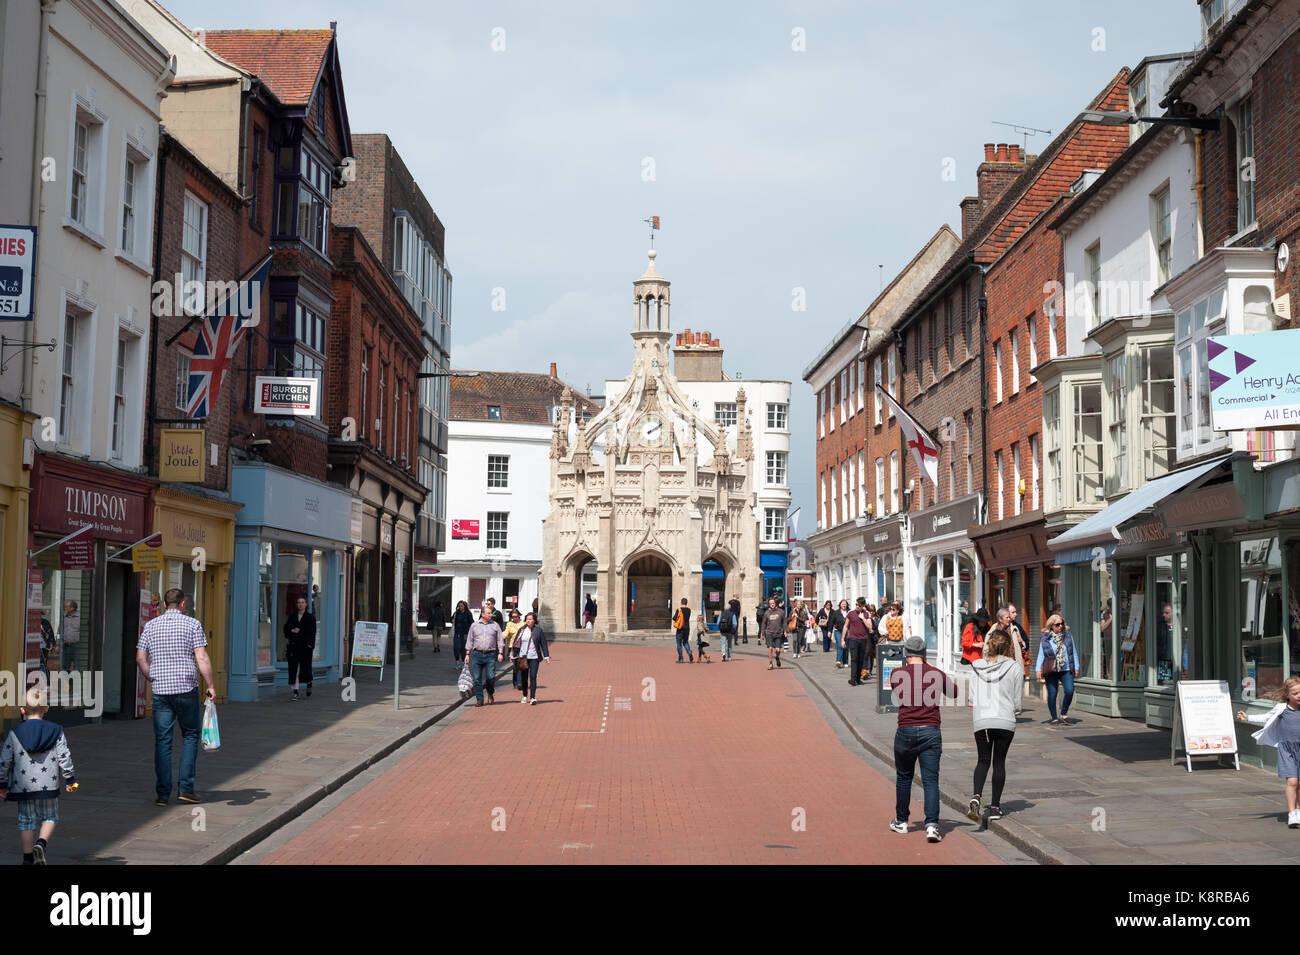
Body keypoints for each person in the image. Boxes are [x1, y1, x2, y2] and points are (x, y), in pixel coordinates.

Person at [136, 588, 215, 806]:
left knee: (163, 741)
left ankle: (162, 794)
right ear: (182, 604)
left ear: (163, 604)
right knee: (190, 735)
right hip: (185, 688)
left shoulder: (151, 626)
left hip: (161, 690)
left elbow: (140, 657)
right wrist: (210, 685)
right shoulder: (192, 624)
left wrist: (151, 676)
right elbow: (201, 656)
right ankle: (186, 789)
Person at [888, 634, 959, 843]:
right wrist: (928, 667)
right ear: (924, 654)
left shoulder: (897, 674)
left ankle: (901, 822)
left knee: (904, 778)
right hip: (930, 730)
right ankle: (932, 825)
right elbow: (954, 693)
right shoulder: (935, 673)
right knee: (930, 780)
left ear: (906, 654)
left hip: (906, 730)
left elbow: (897, 692)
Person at [0, 686, 77, 864]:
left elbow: (4, 760)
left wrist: (2, 784)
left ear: (22, 710)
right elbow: (64, 755)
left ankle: (27, 858)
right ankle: (41, 844)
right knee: (50, 817)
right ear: (46, 708)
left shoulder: (14, 733)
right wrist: (70, 779)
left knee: (26, 821)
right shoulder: (56, 730)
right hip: (49, 786)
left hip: (23, 786)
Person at [968, 631, 1024, 824]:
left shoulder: (976, 666)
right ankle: (994, 807)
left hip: (982, 720)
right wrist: (1013, 710)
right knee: (999, 762)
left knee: (983, 760)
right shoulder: (1015, 667)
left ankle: (976, 795)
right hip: (1005, 720)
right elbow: (1017, 703)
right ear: (1007, 646)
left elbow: (971, 698)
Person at [1237, 676, 1300, 828]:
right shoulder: (1282, 708)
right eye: (1295, 693)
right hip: (1287, 749)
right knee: (1292, 781)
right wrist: (1248, 717)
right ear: (1287, 695)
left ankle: (1298, 810)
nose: (1299, 695)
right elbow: (1266, 717)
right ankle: (1292, 813)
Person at [1036, 613, 1080, 725]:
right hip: (1051, 670)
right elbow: (1041, 654)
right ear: (1051, 626)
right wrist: (1038, 670)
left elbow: (1073, 651)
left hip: (1066, 668)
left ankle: (1064, 713)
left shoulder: (1068, 636)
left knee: (1069, 691)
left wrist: (1076, 667)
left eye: (1062, 624)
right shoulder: (1045, 638)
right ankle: (1054, 717)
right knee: (1052, 693)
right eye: (1057, 625)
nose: (1060, 626)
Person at [464, 605, 504, 706]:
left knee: (490, 677)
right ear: (482, 614)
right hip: (476, 654)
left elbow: (500, 639)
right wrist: (467, 654)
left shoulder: (495, 625)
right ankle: (479, 699)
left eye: (491, 613)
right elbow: (470, 640)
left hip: (490, 655)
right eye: (489, 613)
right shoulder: (474, 625)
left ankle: (490, 694)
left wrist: (500, 653)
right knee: (477, 679)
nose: (491, 615)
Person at [512, 612, 550, 705]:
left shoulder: (538, 631)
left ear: (534, 620)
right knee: (524, 678)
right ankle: (525, 696)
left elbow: (543, 644)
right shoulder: (522, 630)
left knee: (533, 677)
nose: (528, 621)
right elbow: (516, 643)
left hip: (534, 657)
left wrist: (546, 656)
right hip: (523, 657)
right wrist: (514, 655)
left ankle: (533, 697)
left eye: (530, 619)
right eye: (527, 619)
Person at [284, 596, 316, 701]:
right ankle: (295, 692)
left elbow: (312, 632)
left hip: (305, 647)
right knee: (294, 670)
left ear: (306, 604)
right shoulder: (292, 616)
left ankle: (309, 684)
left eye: (302, 602)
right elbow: (286, 629)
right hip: (293, 647)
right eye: (298, 602)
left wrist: (310, 645)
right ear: (297, 604)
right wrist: (292, 631)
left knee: (306, 668)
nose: (300, 604)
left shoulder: (310, 617)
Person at [844, 599, 873, 686]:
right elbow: (845, 626)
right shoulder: (851, 613)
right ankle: (853, 679)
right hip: (853, 639)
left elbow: (870, 626)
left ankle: (857, 679)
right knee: (854, 659)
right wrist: (842, 639)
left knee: (860, 660)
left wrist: (863, 618)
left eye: (859, 605)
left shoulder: (866, 614)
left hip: (863, 639)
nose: (857, 606)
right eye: (856, 604)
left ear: (863, 606)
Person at [1005, 603, 1031, 677]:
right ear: (1006, 613)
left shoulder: (1017, 627)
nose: (1016, 614)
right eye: (1013, 612)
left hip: (1016, 666)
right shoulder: (998, 627)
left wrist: (1022, 642)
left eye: (1015, 612)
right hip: (1004, 667)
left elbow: (1026, 643)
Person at [761, 596, 786, 669]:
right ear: (769, 604)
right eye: (770, 603)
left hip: (778, 633)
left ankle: (777, 657)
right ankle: (770, 663)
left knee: (778, 650)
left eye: (773, 603)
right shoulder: (767, 613)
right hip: (769, 633)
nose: (772, 604)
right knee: (770, 648)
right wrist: (762, 633)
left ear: (775, 603)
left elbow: (784, 622)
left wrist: (785, 631)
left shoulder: (780, 612)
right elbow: (763, 624)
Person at [504, 609, 524, 690]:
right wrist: (498, 636)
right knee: (515, 666)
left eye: (516, 616)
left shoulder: (523, 624)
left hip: (522, 647)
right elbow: (506, 633)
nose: (514, 618)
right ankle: (515, 682)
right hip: (512, 647)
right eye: (513, 617)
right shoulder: (509, 624)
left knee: (520, 665)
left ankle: (520, 683)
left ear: (519, 615)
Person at [672, 597, 694, 663]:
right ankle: (689, 652)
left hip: (680, 628)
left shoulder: (679, 610)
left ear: (681, 602)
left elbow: (674, 618)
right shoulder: (689, 610)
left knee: (679, 644)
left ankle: (681, 659)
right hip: (687, 628)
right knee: (685, 642)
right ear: (686, 603)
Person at [60, 600, 80, 672]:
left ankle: (75, 682)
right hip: (66, 646)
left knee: (77, 666)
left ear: (72, 608)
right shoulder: (64, 617)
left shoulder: (80, 617)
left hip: (77, 645)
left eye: (66, 606)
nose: (65, 608)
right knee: (65, 666)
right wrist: (57, 644)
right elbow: (60, 631)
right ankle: (66, 682)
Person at [861, 603, 879, 680]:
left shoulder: (877, 619)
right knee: (866, 654)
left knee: (871, 655)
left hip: (873, 638)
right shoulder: (864, 618)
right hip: (866, 638)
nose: (871, 612)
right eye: (870, 611)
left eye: (873, 611)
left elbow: (876, 628)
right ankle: (865, 670)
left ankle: (869, 670)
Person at [832, 599, 849, 669]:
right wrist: (829, 631)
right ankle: (838, 661)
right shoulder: (836, 612)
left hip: (847, 632)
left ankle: (845, 662)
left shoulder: (849, 612)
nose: (844, 605)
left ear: (847, 605)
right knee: (840, 645)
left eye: (845, 604)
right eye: (842, 604)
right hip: (838, 631)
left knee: (846, 647)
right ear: (840, 605)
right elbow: (831, 621)